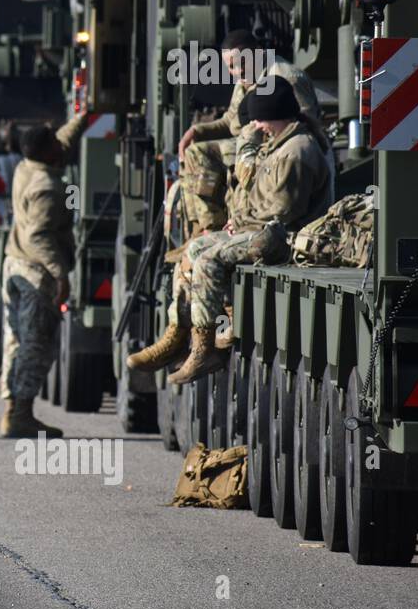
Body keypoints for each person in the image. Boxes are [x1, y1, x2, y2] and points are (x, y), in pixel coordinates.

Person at [130, 78, 331, 383]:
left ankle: (203, 348)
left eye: (261, 119)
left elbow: (282, 209)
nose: (258, 127)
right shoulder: (281, 144)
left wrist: (242, 219)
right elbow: (257, 200)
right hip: (264, 230)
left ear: (278, 115)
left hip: (285, 239)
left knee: (210, 260)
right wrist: (236, 220)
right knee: (195, 248)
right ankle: (178, 333)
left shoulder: (297, 151)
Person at [177, 31, 325, 238]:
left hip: (275, 151)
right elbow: (231, 121)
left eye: (242, 63)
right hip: (247, 143)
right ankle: (207, 229)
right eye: (231, 66)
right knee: (195, 153)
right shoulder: (246, 78)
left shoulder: (285, 77)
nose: (237, 71)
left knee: (209, 156)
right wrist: (197, 130)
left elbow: (302, 126)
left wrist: (262, 148)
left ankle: (227, 228)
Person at [0, 112, 87, 438]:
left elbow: (62, 141)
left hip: (14, 264)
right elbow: (39, 236)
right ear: (48, 152)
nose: (60, 145)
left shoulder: (27, 167)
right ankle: (21, 414)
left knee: (16, 340)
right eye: (53, 143)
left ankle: (12, 410)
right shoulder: (47, 188)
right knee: (37, 344)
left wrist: (85, 116)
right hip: (35, 275)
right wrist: (61, 275)